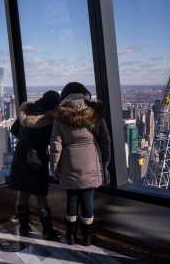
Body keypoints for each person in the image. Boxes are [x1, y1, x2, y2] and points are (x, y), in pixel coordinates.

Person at [50, 82, 111, 246]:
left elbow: (56, 146)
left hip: (69, 164)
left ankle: (70, 236)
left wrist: (54, 167)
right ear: (84, 94)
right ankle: (87, 238)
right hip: (91, 163)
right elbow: (105, 141)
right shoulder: (94, 114)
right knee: (87, 200)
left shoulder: (60, 116)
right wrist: (105, 163)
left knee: (72, 199)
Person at [9, 90, 61, 240]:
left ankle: (23, 227)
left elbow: (14, 130)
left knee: (23, 193)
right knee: (40, 196)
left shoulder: (26, 112)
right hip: (37, 160)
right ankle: (47, 230)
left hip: (20, 157)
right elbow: (53, 141)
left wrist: (25, 139)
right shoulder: (49, 120)